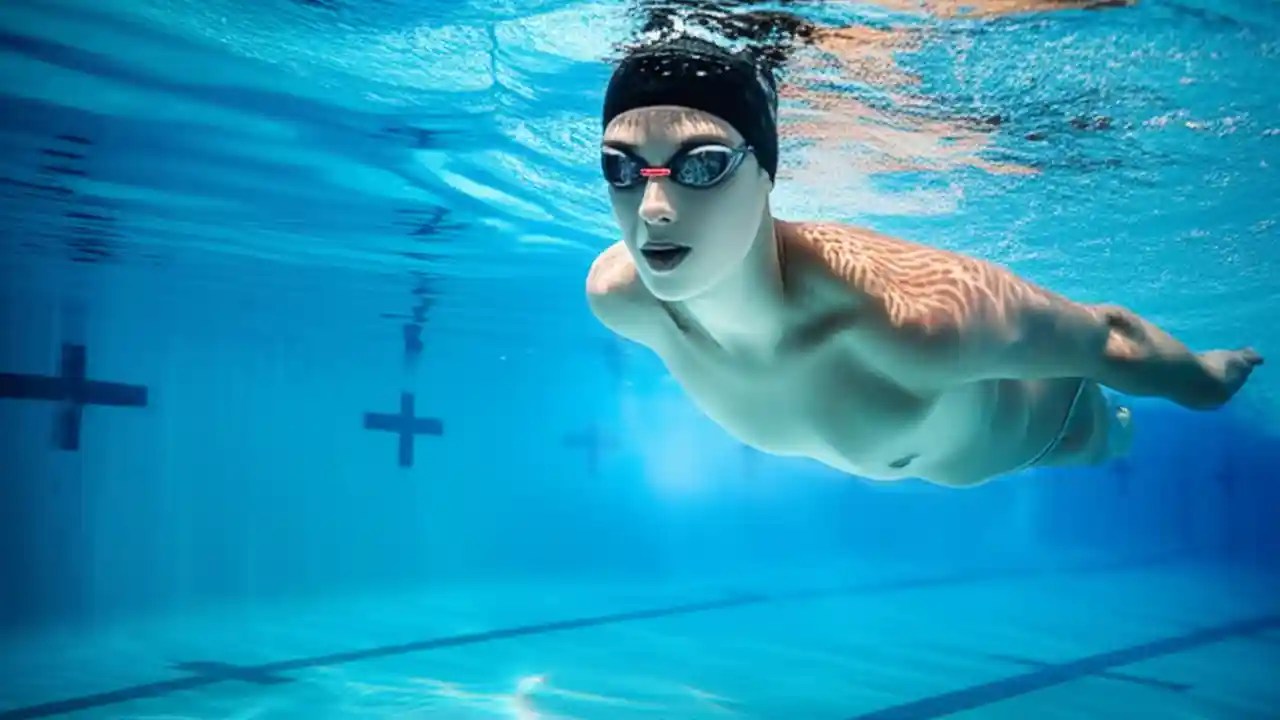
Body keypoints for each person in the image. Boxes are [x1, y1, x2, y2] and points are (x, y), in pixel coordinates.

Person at [584, 35, 1263, 488]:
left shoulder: (907, 322)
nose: (654, 210)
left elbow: (1109, 336)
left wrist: (1205, 380)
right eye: (622, 168)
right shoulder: (623, 297)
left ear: (767, 174)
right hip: (939, 442)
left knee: (1104, 439)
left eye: (701, 165)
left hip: (1043, 422)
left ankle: (1109, 428)